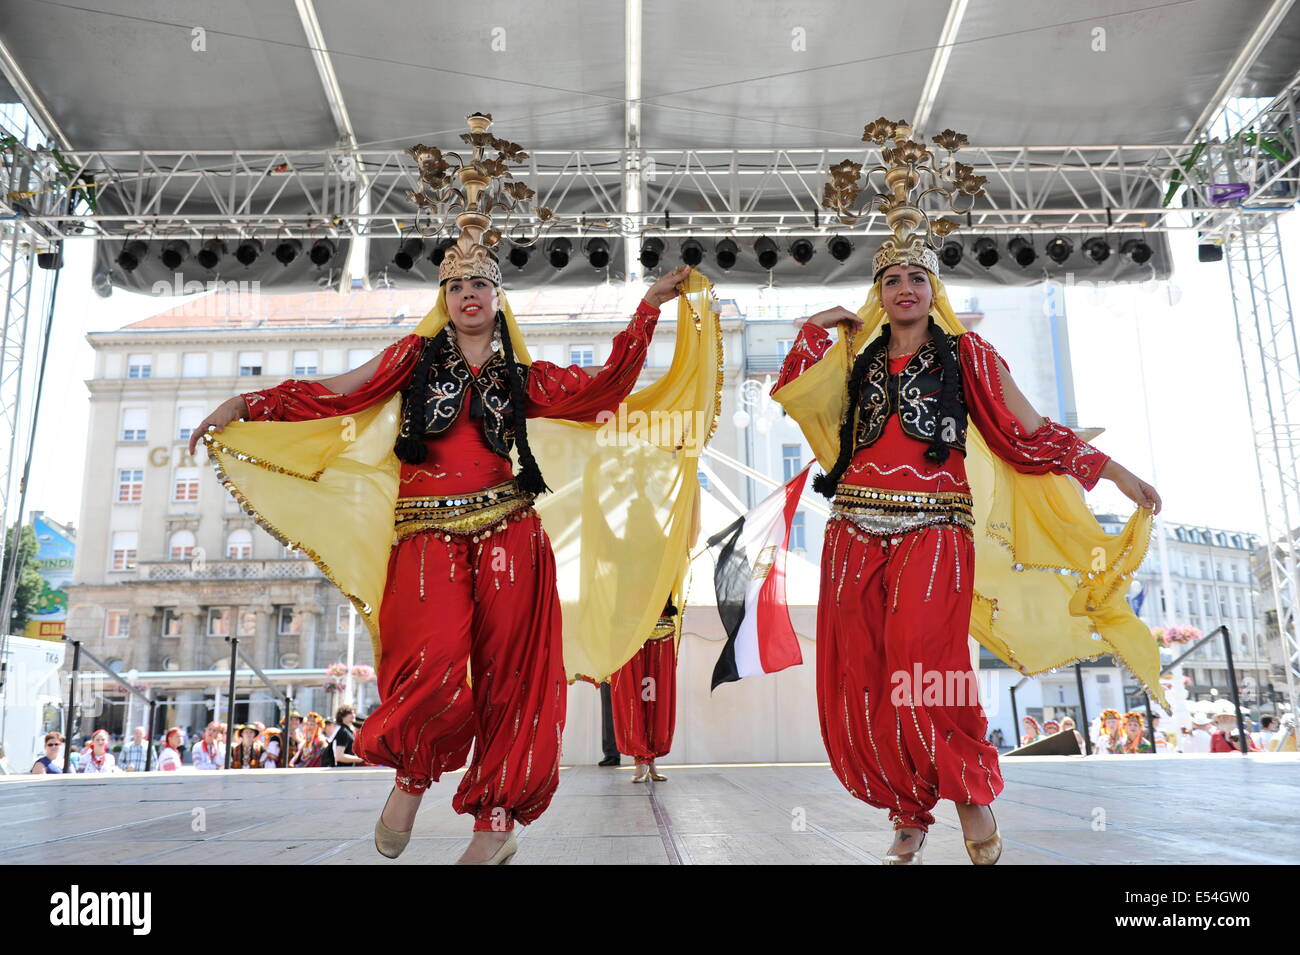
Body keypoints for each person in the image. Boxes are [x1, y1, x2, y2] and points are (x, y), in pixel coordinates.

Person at [190, 118, 710, 867]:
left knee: (513, 681)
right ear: (444, 296)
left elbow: (603, 385)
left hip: (510, 536)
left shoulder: (523, 379)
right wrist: (248, 404)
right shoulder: (411, 358)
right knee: (428, 666)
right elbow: (337, 394)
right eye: (458, 283)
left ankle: (495, 820)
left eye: (482, 283)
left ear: (500, 298)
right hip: (427, 537)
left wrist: (649, 309)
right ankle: (413, 770)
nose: (470, 293)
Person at [770, 117, 1163, 866]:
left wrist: (1114, 472)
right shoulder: (855, 357)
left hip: (932, 534)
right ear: (878, 293)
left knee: (928, 670)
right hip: (852, 531)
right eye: (891, 279)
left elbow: (1029, 430)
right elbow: (794, 390)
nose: (905, 288)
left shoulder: (968, 354)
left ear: (934, 287)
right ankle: (907, 810)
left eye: (917, 277)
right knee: (867, 677)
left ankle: (970, 795)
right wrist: (817, 322)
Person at [611, 598, 680, 783]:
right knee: (630, 697)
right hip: (628, 623)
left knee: (657, 698)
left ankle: (650, 760)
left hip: (660, 623)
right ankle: (640, 759)